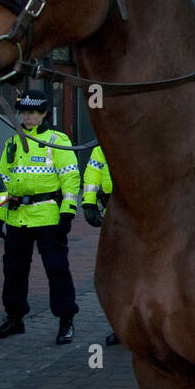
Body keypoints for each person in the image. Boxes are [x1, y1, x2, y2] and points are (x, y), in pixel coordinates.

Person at [0, 93, 81, 345]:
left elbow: (71, 179)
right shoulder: (12, 143)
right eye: (24, 112)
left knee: (57, 270)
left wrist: (68, 211)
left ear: (44, 114)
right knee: (13, 271)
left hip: (48, 217)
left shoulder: (57, 140)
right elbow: (2, 180)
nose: (27, 117)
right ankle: (15, 317)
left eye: (33, 112)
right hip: (18, 218)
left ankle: (66, 321)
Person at [80, 144, 119, 346]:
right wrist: (89, 202)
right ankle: (120, 326)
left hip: (140, 211)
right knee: (114, 272)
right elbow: (92, 174)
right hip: (113, 209)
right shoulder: (101, 147)